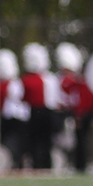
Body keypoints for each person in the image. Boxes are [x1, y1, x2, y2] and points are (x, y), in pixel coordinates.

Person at [56, 43, 93, 175]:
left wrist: (79, 115)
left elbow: (84, 100)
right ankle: (78, 164)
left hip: (82, 114)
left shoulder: (82, 82)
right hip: (79, 114)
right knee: (76, 141)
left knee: (80, 141)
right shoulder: (77, 81)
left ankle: (81, 165)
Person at [20, 43, 60, 172]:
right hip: (47, 113)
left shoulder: (26, 80)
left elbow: (23, 98)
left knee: (35, 141)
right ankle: (46, 165)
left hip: (35, 112)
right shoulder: (51, 79)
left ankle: (37, 164)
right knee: (45, 142)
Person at [0, 48, 29, 165]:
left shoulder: (16, 83)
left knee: (14, 143)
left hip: (15, 118)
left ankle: (17, 161)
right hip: (1, 118)